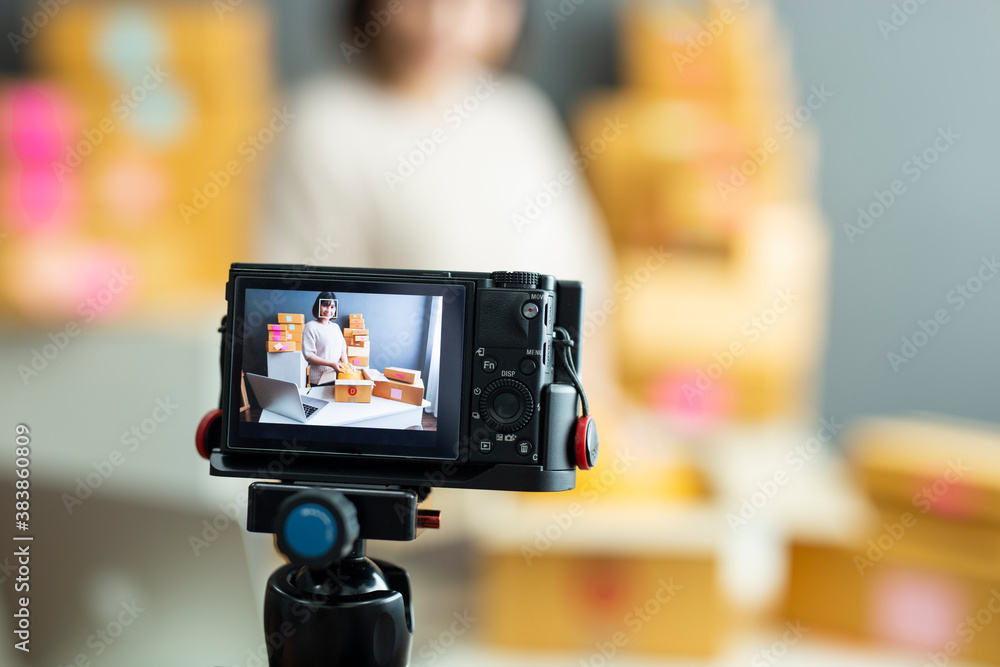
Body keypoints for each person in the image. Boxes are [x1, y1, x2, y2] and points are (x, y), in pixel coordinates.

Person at [302, 291, 350, 385]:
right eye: (325, 305)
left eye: (332, 307)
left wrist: (346, 365)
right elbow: (309, 355)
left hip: (337, 376)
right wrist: (331, 364)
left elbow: (342, 349)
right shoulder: (311, 326)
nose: (328, 310)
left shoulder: (335, 327)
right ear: (318, 306)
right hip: (319, 379)